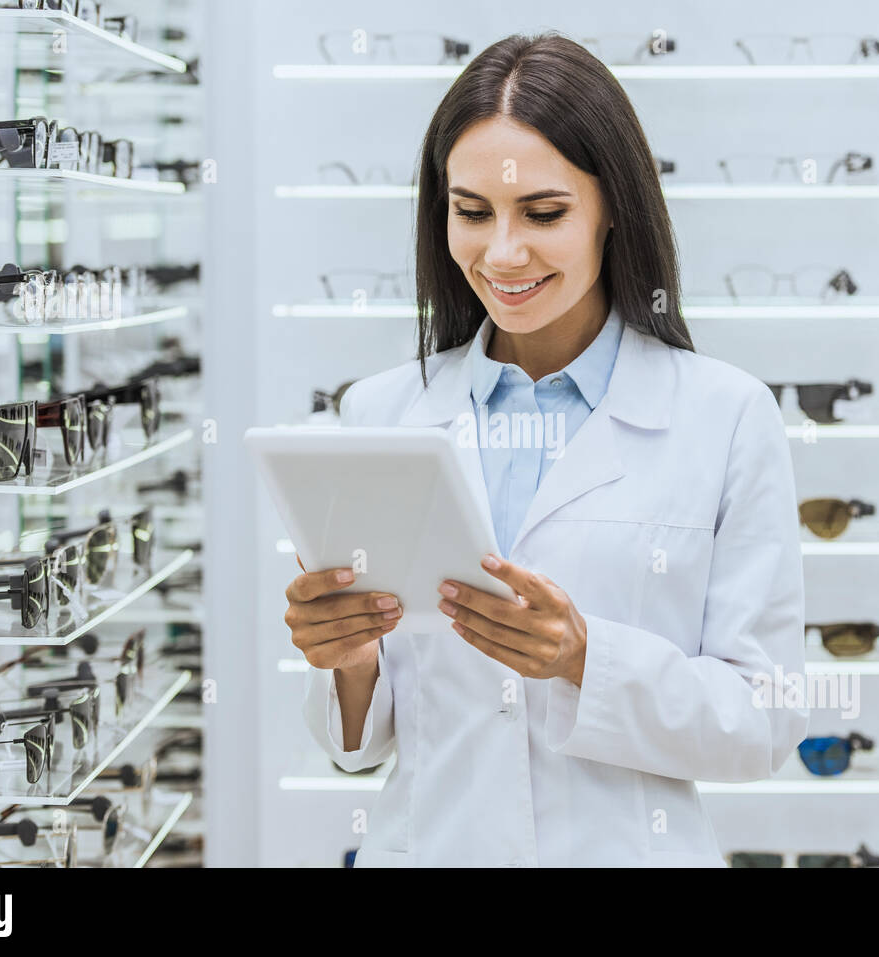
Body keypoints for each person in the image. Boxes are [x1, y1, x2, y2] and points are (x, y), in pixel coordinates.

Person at [284, 31, 808, 867]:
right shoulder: (381, 411)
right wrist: (346, 660)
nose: (502, 253)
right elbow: (362, 745)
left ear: (612, 210)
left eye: (544, 212)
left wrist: (585, 657)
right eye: (472, 211)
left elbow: (764, 719)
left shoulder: (726, 416)